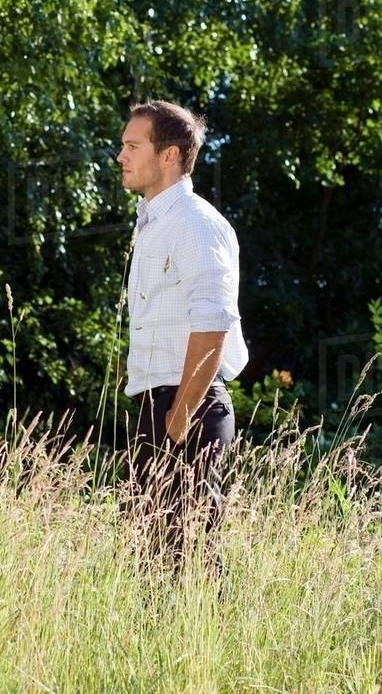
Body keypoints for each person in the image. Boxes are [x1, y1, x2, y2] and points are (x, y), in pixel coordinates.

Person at [116, 99, 249, 573]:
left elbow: (214, 325)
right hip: (158, 403)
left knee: (189, 558)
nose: (121, 156)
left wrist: (180, 417)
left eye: (133, 146)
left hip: (188, 405)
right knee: (153, 559)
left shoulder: (196, 224)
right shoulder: (153, 223)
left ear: (168, 155)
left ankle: (214, 645)